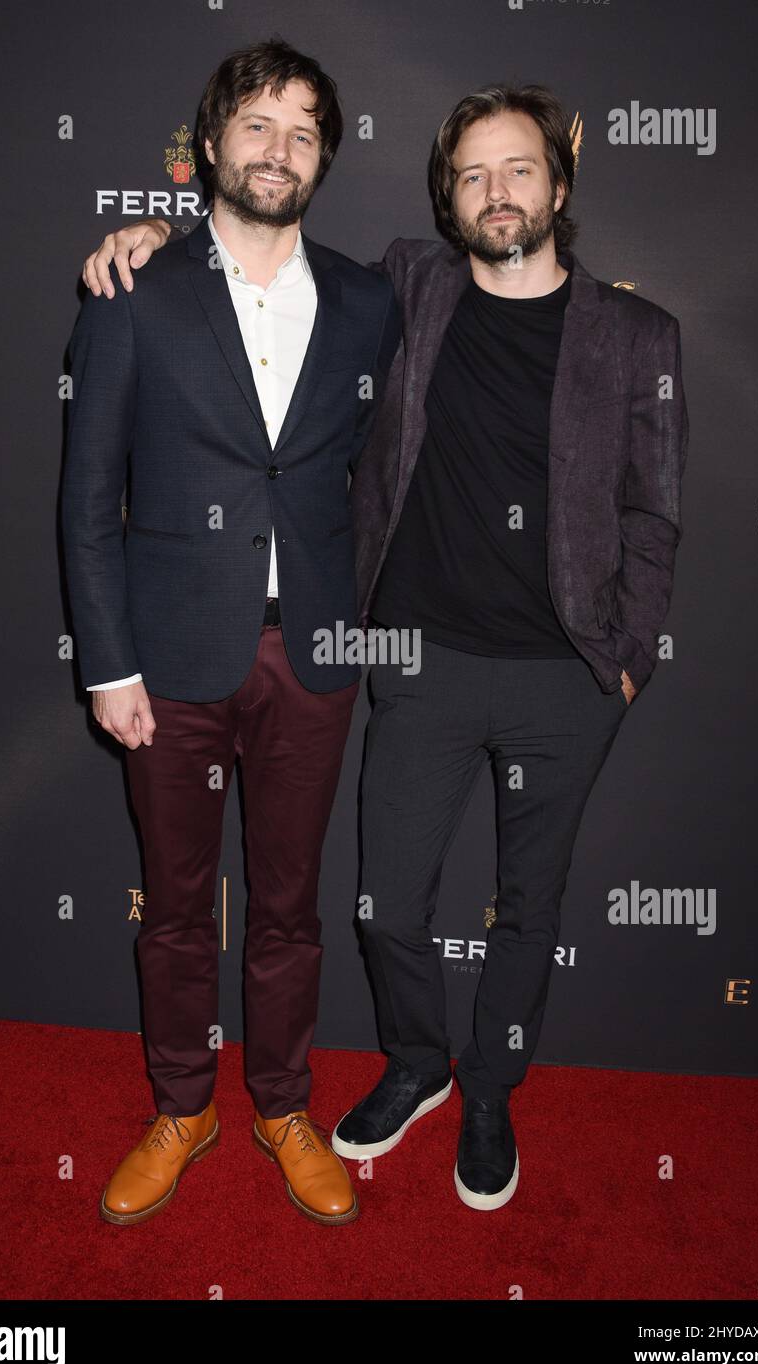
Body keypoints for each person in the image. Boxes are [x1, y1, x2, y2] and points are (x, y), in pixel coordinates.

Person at [82, 82, 688, 1212]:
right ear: (445, 199)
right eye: (471, 175)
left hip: (567, 674)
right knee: (382, 907)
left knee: (528, 908)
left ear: (558, 184)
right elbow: (253, 243)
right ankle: (413, 1064)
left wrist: (629, 652)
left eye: (517, 171)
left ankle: (490, 1091)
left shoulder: (635, 333)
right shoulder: (407, 287)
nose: (495, 192)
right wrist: (155, 236)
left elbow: (653, 511)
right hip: (419, 664)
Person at [62, 37, 400, 1228]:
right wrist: (107, 664)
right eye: (258, 124)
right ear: (210, 147)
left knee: (290, 905)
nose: (280, 148)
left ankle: (281, 1102)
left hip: (311, 655)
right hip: (167, 661)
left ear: (321, 162)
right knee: (175, 901)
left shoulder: (368, 299)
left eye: (304, 132)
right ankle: (180, 1105)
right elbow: (86, 494)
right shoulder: (133, 291)